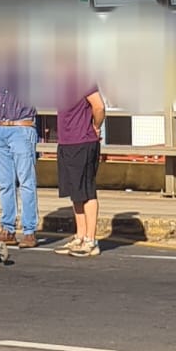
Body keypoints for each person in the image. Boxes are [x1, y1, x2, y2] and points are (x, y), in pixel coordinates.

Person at [0, 81, 38, 248]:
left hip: (21, 127)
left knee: (26, 182)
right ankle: (8, 229)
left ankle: (29, 231)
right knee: (5, 184)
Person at [56, 86, 106, 257]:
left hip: (83, 141)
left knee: (87, 190)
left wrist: (96, 126)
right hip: (66, 142)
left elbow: (99, 107)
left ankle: (91, 240)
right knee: (74, 191)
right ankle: (80, 236)